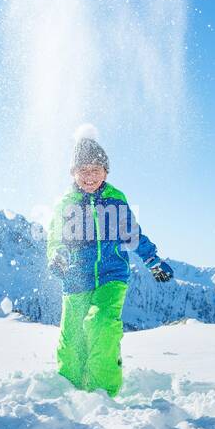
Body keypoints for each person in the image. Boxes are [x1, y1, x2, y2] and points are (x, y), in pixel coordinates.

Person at [46, 127, 174, 395]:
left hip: (112, 276)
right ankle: (70, 392)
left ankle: (103, 393)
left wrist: (152, 260)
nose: (89, 176)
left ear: (106, 171)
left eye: (96, 170)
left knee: (101, 325)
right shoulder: (66, 204)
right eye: (83, 170)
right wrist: (57, 255)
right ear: (73, 173)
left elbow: (132, 233)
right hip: (76, 278)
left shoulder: (116, 200)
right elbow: (57, 239)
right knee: (72, 341)